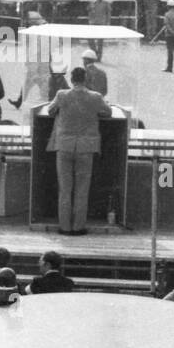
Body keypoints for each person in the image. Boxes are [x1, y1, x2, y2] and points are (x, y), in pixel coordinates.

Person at [46, 66, 112, 235]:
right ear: (86, 79)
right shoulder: (95, 97)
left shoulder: (62, 94)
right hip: (86, 146)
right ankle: (78, 226)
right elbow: (108, 112)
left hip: (64, 145)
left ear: (72, 79)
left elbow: (50, 111)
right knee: (82, 189)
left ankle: (64, 227)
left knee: (65, 189)